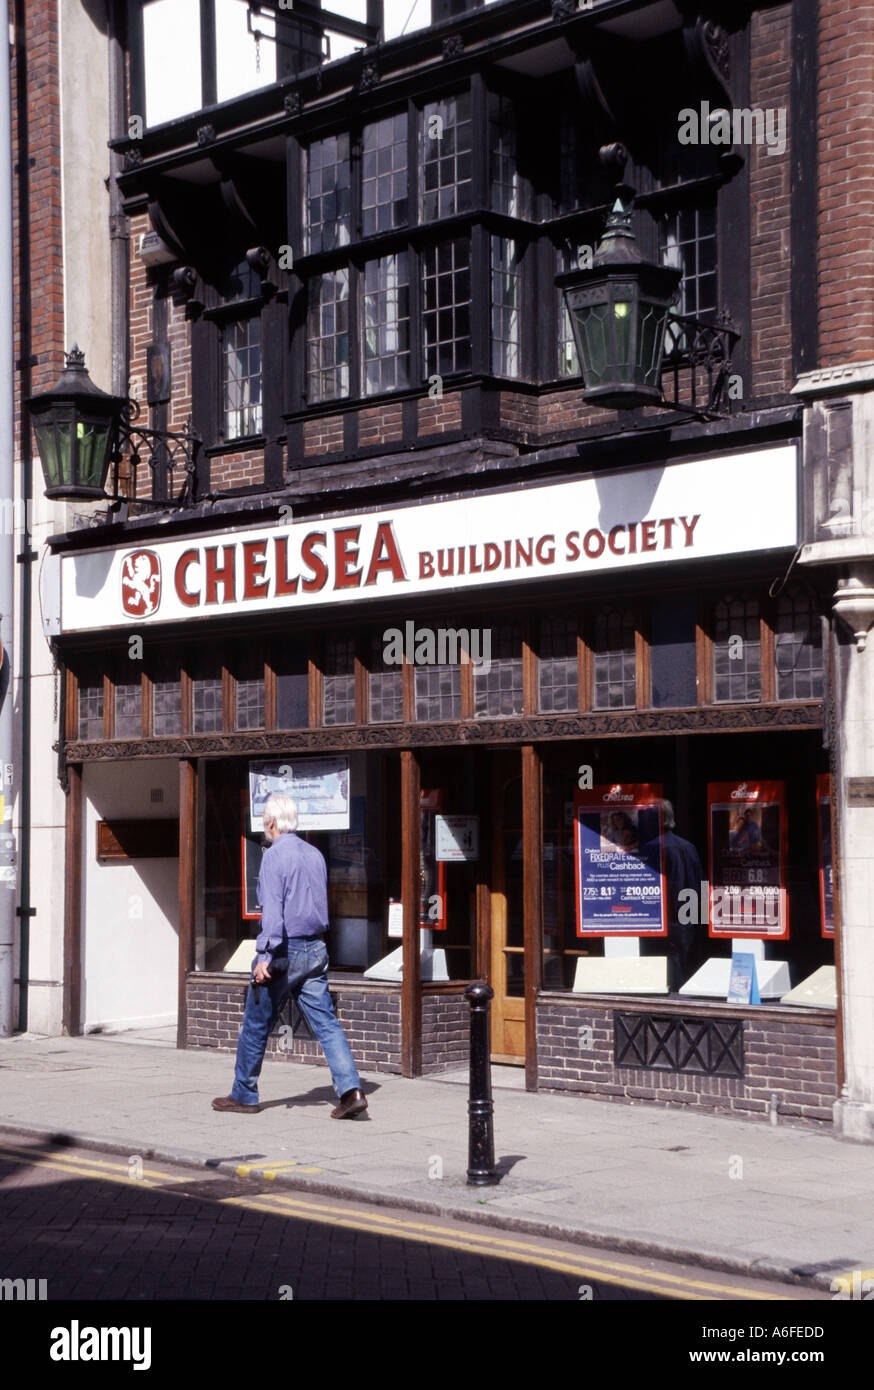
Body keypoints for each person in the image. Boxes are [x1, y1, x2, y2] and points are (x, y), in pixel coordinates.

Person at [212, 792, 367, 1119]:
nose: (263, 828)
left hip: (284, 950)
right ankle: (352, 1091)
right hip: (316, 948)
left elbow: (273, 912)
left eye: (264, 822)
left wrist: (265, 955)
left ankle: (244, 1094)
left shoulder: (272, 857)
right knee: (326, 1023)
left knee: (254, 1023)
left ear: (271, 822)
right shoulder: (315, 854)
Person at [642, 799, 704, 993]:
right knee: (687, 958)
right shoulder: (689, 847)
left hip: (665, 914)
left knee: (667, 965)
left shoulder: (651, 848)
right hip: (689, 910)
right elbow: (700, 883)